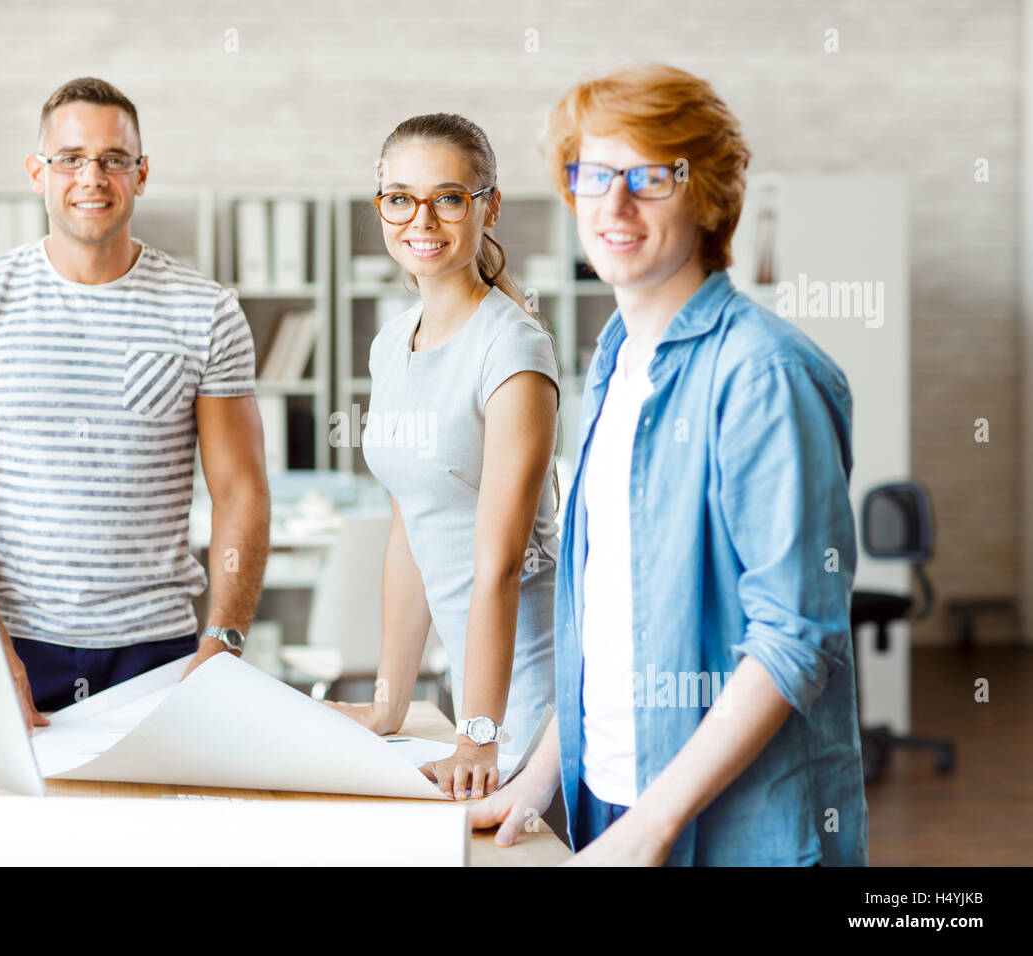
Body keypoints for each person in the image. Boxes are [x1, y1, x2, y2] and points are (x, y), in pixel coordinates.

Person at [471, 64, 869, 864]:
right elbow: (608, 617)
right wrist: (539, 778)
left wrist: (651, 827)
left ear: (707, 196)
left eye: (651, 177)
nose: (614, 205)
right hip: (605, 797)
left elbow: (794, 637)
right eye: (593, 175)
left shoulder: (765, 374)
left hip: (731, 827)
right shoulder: (616, 360)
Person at [0, 77, 270, 730]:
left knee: (152, 829)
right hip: (15, 642)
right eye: (72, 158)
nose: (93, 177)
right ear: (37, 173)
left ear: (141, 174)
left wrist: (223, 640)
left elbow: (241, 491)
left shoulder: (207, 311)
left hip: (158, 650)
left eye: (113, 160)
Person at [326, 114, 560, 801]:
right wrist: (388, 704)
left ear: (487, 206)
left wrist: (480, 734)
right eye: (399, 197)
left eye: (448, 197)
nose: (420, 218)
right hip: (475, 688)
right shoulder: (393, 341)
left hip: (531, 686)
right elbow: (410, 539)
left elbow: (503, 562)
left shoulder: (512, 349)